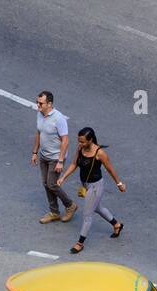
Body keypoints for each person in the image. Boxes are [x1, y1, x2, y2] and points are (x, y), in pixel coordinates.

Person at [56, 127, 125, 254]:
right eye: (79, 141)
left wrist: (119, 184)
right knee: (97, 208)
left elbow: (110, 169)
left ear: (90, 140)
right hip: (85, 184)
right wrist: (63, 177)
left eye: (82, 142)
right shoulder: (80, 149)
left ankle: (80, 243)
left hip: (95, 186)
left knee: (87, 215)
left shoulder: (100, 153)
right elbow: (74, 163)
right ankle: (117, 225)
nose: (79, 144)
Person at [32, 91, 76, 224]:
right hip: (44, 155)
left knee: (52, 184)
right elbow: (39, 132)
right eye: (37, 102)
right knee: (46, 184)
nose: (38, 105)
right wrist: (35, 152)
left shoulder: (59, 118)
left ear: (49, 104)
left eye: (40, 103)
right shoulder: (40, 114)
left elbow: (65, 140)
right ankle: (54, 212)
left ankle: (70, 205)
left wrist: (61, 161)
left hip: (56, 158)